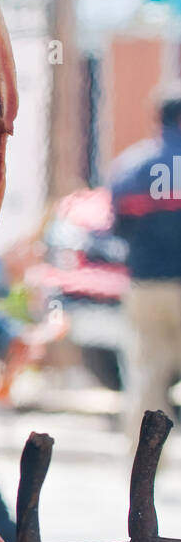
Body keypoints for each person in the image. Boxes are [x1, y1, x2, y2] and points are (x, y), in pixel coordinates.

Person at [109, 86, 181, 442]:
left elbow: (117, 228)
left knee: (147, 378)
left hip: (146, 286)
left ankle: (145, 469)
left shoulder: (132, 167)